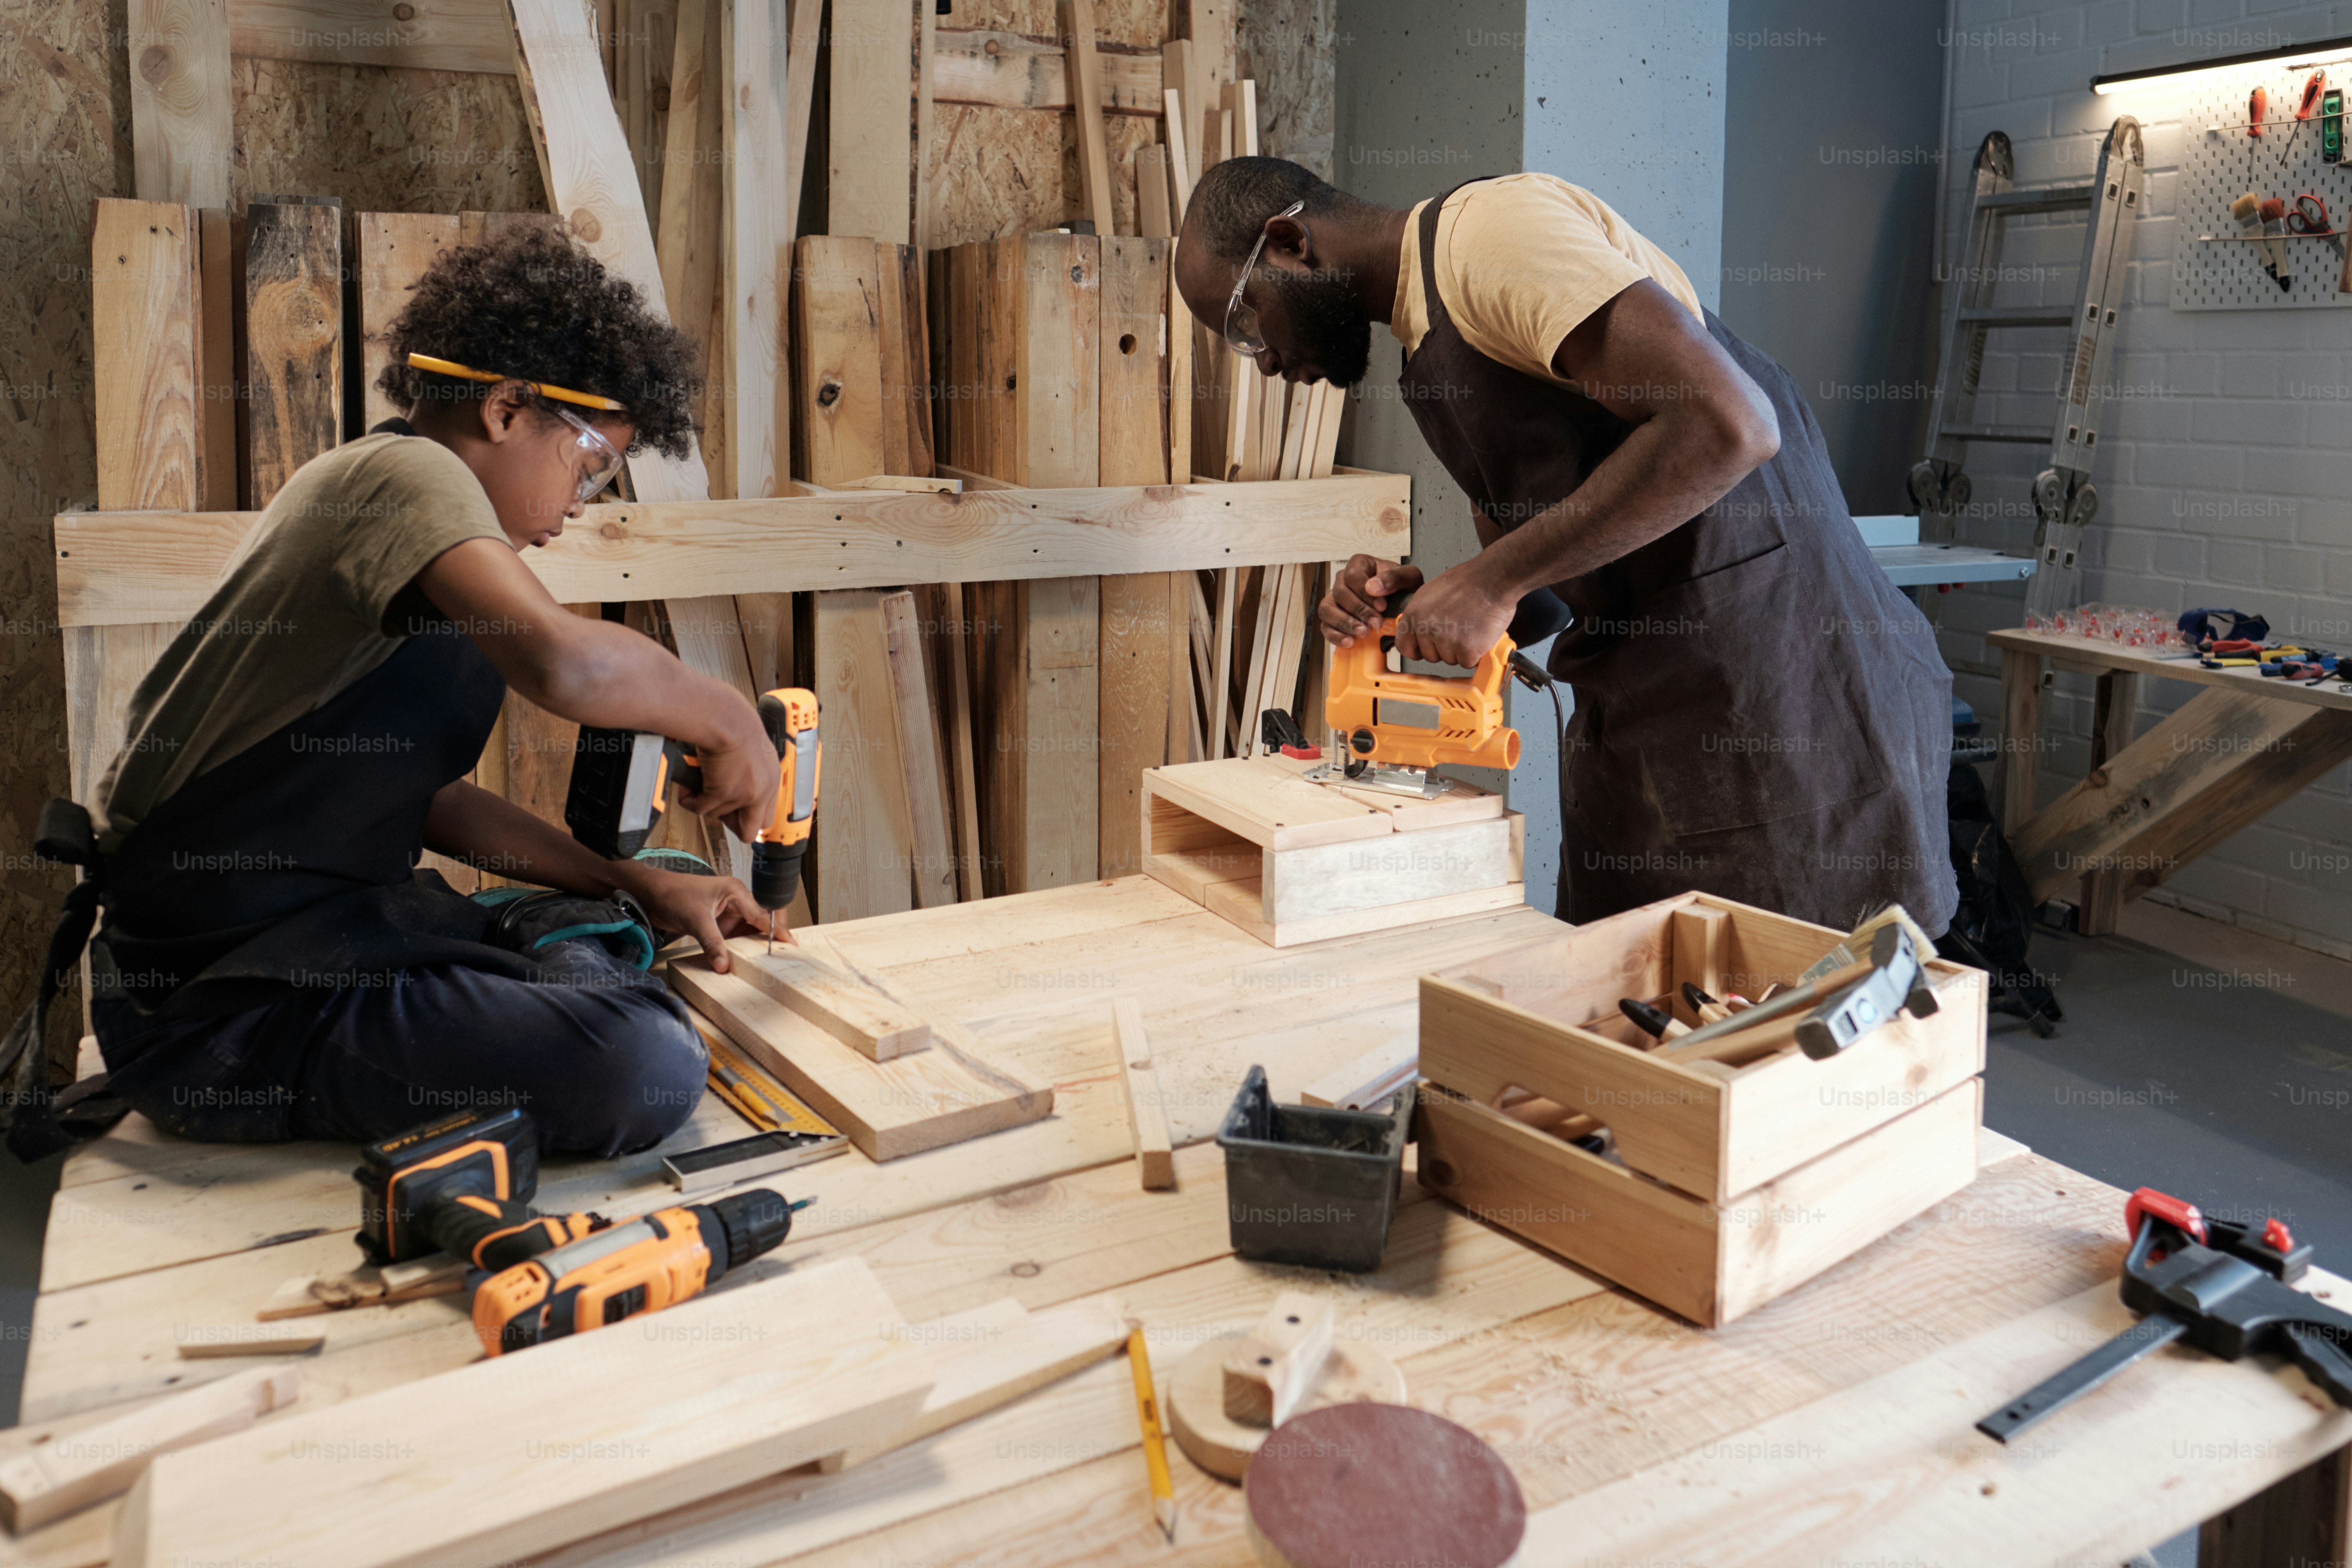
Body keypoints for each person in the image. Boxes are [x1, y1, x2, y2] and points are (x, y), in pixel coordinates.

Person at [16, 225, 778, 1157]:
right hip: (222, 1004)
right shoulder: (401, 475)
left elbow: (422, 798)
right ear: (506, 408)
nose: (583, 506)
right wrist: (729, 716)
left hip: (312, 942)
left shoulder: (426, 536)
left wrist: (633, 881)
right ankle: (548, 951)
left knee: (621, 942)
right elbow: (566, 665)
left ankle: (557, 938)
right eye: (589, 466)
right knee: (643, 1063)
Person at [1174, 158, 1956, 935]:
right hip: (1657, 727)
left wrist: (1490, 581)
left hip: (1792, 711)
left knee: (1792, 995)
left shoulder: (1487, 237)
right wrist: (1421, 608)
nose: (1264, 360)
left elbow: (1730, 426)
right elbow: (1546, 598)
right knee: (1629, 994)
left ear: (1290, 243)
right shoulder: (1431, 351)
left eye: (1246, 322)